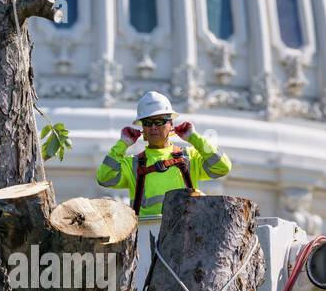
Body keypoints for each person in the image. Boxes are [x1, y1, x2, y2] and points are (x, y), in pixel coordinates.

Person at [95, 90, 231, 218]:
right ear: (142, 128)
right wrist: (122, 144)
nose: (153, 127)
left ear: (170, 124)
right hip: (146, 235)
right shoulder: (133, 164)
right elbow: (104, 178)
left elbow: (222, 167)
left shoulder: (189, 157)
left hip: (185, 233)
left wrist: (194, 138)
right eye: (147, 123)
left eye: (159, 121)